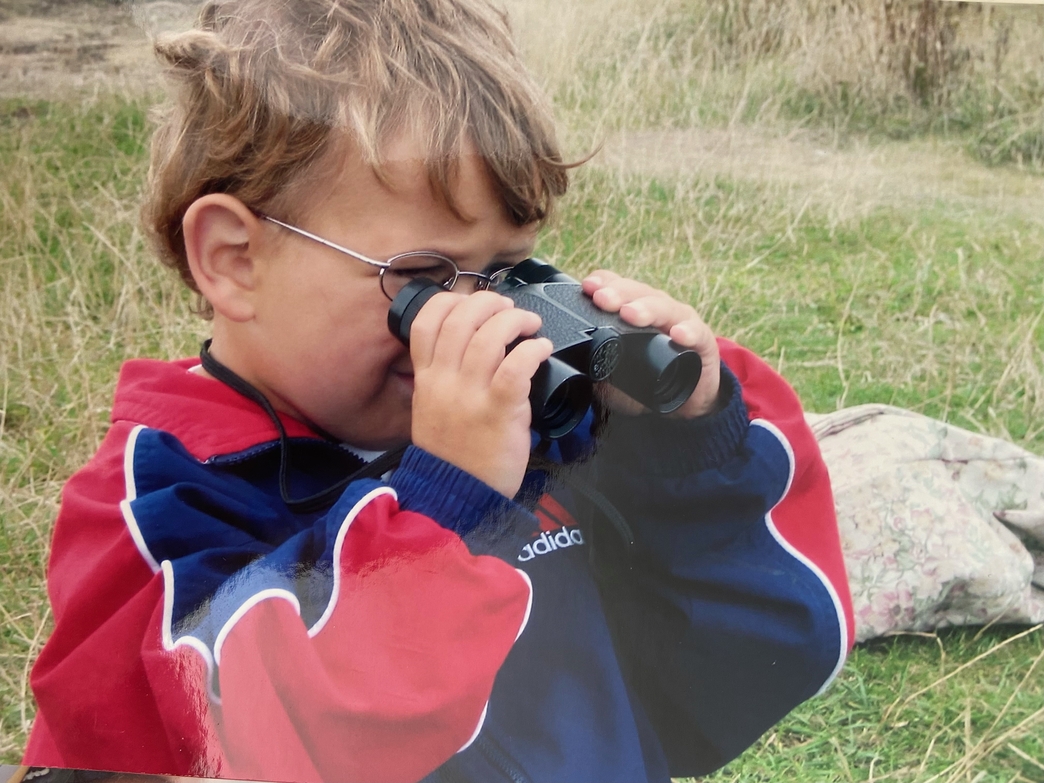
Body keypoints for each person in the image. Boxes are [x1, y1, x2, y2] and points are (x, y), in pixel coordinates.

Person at [23, 0, 854, 780]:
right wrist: (443, 507)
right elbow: (226, 740)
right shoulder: (161, 501)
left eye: (506, 273)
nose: (479, 317)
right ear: (235, 259)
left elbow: (757, 657)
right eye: (418, 280)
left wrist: (685, 451)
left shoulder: (538, 431)